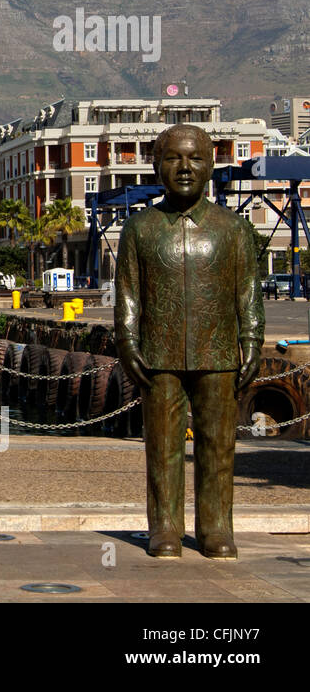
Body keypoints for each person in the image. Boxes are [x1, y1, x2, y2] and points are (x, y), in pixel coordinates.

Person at [115, 124, 264, 559]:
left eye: (195, 158)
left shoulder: (232, 229)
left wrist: (251, 337)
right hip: (158, 354)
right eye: (173, 158)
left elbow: (248, 292)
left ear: (210, 166)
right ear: (157, 165)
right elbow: (127, 292)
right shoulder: (140, 228)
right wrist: (127, 340)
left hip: (217, 353)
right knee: (162, 448)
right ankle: (164, 528)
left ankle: (216, 528)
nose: (184, 168)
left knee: (219, 446)